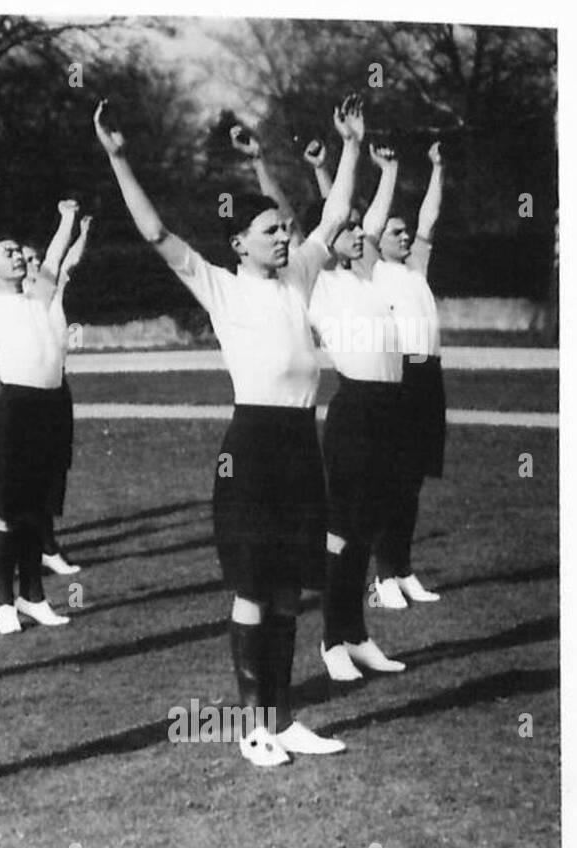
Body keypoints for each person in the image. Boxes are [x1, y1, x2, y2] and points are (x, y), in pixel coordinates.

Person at [95, 95, 364, 766]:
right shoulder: (218, 285)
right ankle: (252, 728)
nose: (282, 236)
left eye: (282, 228)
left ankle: (283, 718)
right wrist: (118, 158)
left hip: (301, 445)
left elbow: (333, 216)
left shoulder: (299, 277)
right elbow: (157, 234)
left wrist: (353, 147)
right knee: (252, 586)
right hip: (252, 450)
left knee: (285, 590)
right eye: (269, 230)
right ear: (239, 242)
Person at [303, 139, 409, 681]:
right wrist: (332, 161)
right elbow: (333, 215)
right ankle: (331, 641)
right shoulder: (317, 283)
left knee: (368, 528)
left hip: (390, 411)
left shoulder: (367, 277)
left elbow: (368, 218)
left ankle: (358, 634)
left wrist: (387, 170)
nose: (358, 234)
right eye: (347, 231)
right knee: (342, 531)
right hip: (356, 412)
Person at [0, 209, 75, 635]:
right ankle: (5, 603)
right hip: (14, 413)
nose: (19, 256)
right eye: (8, 253)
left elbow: (55, 258)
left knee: (36, 511)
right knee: (7, 513)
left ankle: (34, 597)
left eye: (20, 252)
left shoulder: (39, 295)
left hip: (47, 413)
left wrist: (65, 219)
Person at [370, 142, 447, 608]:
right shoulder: (372, 272)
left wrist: (438, 166)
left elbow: (431, 219)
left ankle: (403, 569)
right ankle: (381, 578)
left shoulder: (415, 267)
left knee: (413, 479)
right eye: (395, 231)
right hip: (398, 380)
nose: (404, 236)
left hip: (428, 380)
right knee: (390, 480)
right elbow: (359, 223)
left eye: (406, 231)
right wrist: (388, 171)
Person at [42, 201, 93, 576]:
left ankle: (46, 542)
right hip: (31, 393)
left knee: (56, 465)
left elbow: (69, 260)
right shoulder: (16, 297)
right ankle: (41, 544)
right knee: (34, 473)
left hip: (60, 387)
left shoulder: (52, 288)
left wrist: (83, 231)